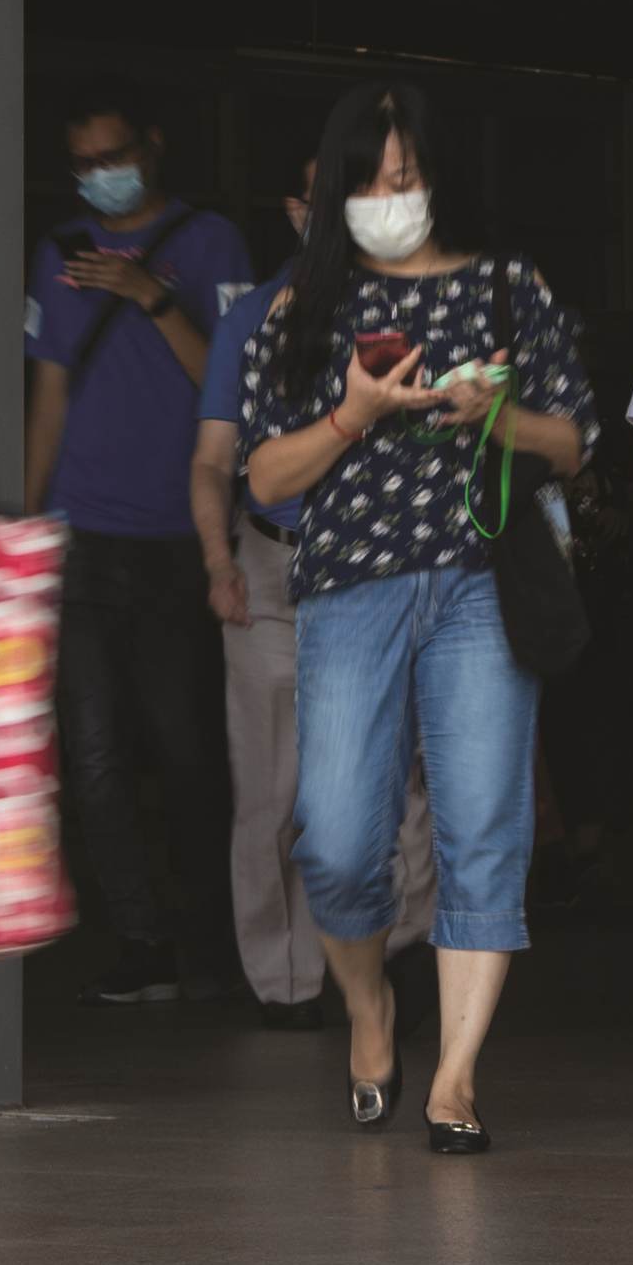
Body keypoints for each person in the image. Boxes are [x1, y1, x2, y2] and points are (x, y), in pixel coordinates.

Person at [235, 84, 591, 1153]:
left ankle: (457, 1078)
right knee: (339, 838)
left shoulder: (506, 286)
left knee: (483, 827)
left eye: (408, 176)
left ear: (441, 176)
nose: (391, 198)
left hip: (482, 580)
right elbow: (264, 476)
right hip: (351, 586)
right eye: (369, 181)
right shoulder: (303, 307)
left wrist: (499, 415)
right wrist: (355, 413)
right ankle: (370, 1005)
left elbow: (574, 442)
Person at [22, 98, 251, 1009]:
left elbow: (229, 379)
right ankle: (140, 938)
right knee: (94, 755)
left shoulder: (211, 241)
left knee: (186, 746)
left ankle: (212, 939)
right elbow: (48, 396)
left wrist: (149, 295)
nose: (100, 175)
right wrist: (28, 522)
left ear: (153, 147)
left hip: (179, 534)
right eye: (82, 163)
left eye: (113, 155)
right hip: (81, 532)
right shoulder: (60, 249)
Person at [193, 184, 430, 1028]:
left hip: (380, 562)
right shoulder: (251, 318)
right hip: (273, 564)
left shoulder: (416, 303)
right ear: (292, 206)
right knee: (273, 785)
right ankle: (287, 980)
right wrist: (219, 560)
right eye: (319, 193)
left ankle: (402, 950)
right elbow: (215, 460)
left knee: (402, 776)